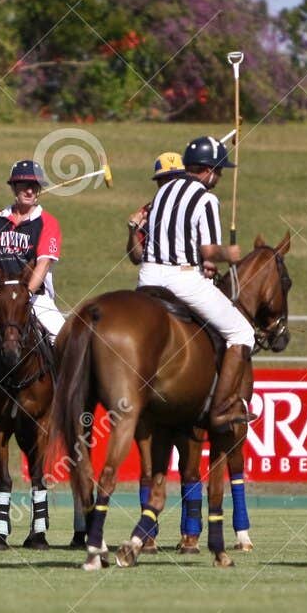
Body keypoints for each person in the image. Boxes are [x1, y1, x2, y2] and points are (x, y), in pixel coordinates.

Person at [127, 140, 253, 429]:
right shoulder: (206, 199)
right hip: (181, 279)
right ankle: (221, 409)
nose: (219, 179)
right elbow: (208, 251)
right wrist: (229, 254)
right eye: (219, 172)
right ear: (208, 171)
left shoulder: (162, 193)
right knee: (242, 332)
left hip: (147, 276)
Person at [0, 158, 65, 435]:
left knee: (66, 341)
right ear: (14, 187)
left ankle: (66, 408)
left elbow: (43, 265)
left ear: (38, 190)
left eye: (33, 186)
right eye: (23, 185)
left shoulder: (47, 222)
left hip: (34, 297)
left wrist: (25, 294)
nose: (29, 191)